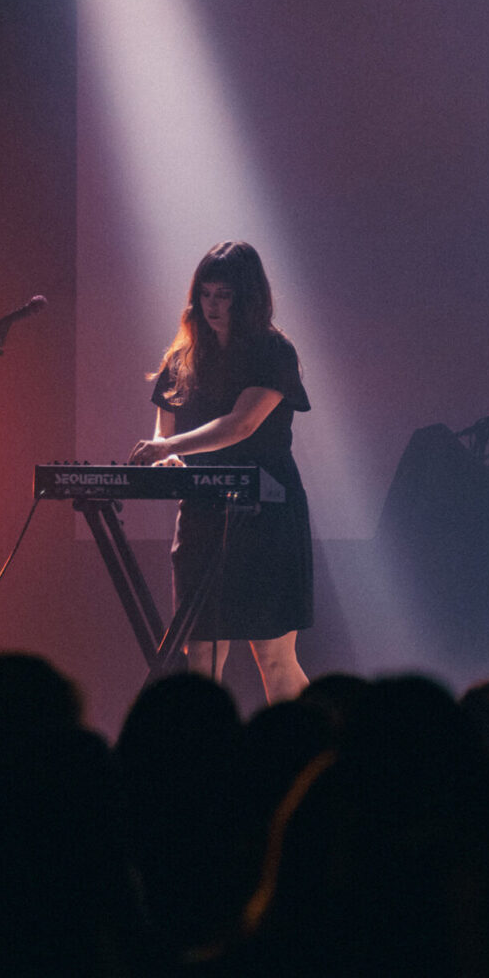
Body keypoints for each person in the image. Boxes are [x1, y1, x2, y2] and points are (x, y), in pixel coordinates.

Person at [131, 242, 312, 702]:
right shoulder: (183, 357)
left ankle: (304, 748)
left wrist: (169, 447)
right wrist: (168, 456)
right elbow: (164, 431)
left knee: (273, 655)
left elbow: (243, 423)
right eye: (205, 294)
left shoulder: (274, 351)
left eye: (224, 295)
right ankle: (205, 760)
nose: (212, 305)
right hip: (203, 512)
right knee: (202, 653)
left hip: (266, 510)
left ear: (247, 297)